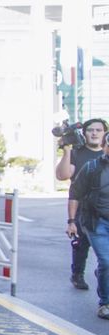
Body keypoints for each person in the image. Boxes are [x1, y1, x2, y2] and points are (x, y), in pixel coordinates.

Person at [56, 118, 107, 290]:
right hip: (83, 209)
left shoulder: (106, 154)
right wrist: (66, 151)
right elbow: (63, 175)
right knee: (81, 245)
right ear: (84, 133)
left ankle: (103, 271)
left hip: (105, 210)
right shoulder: (77, 153)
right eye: (90, 130)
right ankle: (77, 274)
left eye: (98, 130)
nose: (94, 133)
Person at [67, 143, 109, 319]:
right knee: (107, 261)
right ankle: (105, 303)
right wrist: (71, 221)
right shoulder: (92, 168)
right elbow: (75, 194)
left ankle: (103, 274)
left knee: (106, 266)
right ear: (104, 147)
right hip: (96, 222)